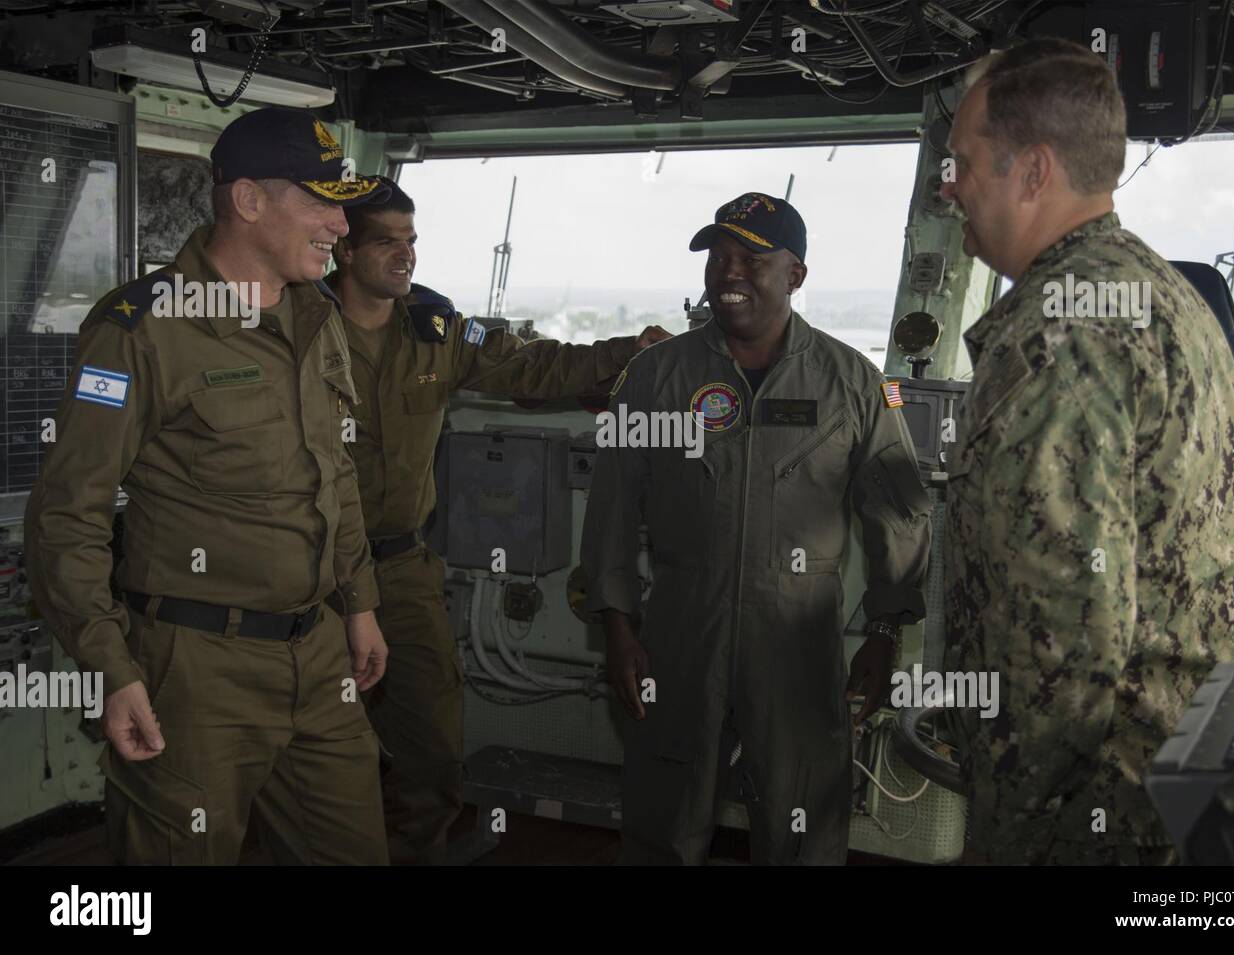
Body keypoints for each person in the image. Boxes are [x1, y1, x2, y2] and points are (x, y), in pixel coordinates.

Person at [25, 107, 393, 865]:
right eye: (322, 200)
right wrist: (111, 668)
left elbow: (337, 472)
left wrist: (358, 603)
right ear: (249, 200)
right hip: (194, 669)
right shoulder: (141, 328)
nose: (339, 222)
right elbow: (68, 516)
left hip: (320, 654)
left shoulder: (314, 317)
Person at [939, 37, 1234, 865]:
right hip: (1183, 786)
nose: (952, 189)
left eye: (964, 163)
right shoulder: (1165, 294)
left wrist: (1008, 826)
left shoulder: (1058, 337)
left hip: (1090, 817)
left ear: (1033, 172)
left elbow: (1059, 646)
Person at [326, 177, 670, 864]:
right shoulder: (296, 329)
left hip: (399, 567)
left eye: (412, 241)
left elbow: (531, 365)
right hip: (308, 572)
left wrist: (630, 351)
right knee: (314, 743)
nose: (405, 256)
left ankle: (413, 850)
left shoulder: (435, 329)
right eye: (387, 242)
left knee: (431, 734)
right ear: (343, 251)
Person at [581, 193, 931, 864]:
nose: (728, 272)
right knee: (663, 808)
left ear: (796, 274)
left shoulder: (850, 381)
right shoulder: (657, 376)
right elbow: (614, 506)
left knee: (801, 819)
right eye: (718, 256)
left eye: (751, 257)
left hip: (797, 635)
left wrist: (886, 631)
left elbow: (898, 510)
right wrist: (618, 625)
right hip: (682, 627)